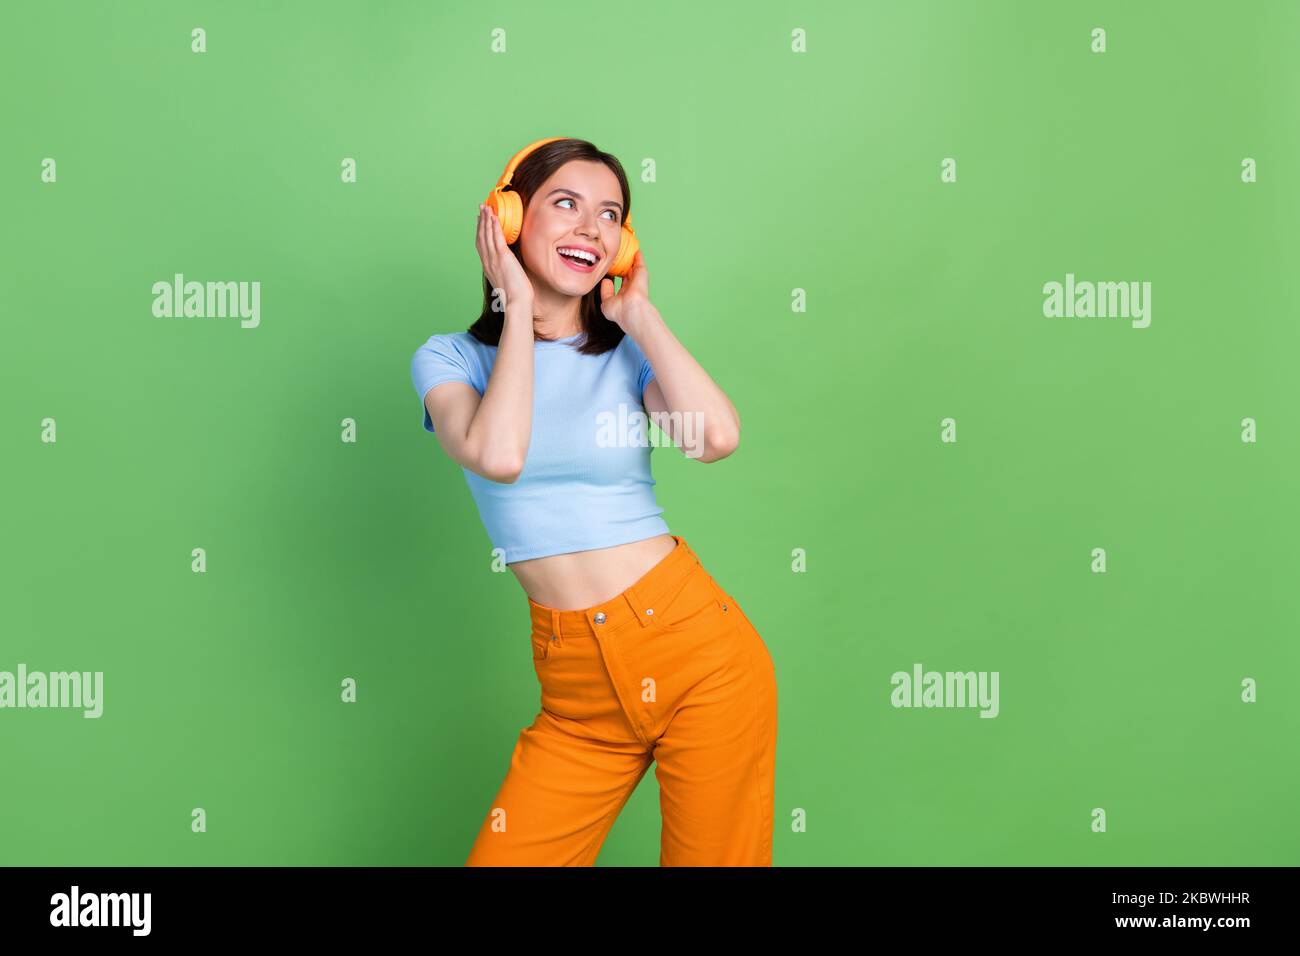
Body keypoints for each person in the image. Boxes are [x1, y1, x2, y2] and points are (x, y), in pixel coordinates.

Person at [410, 137, 778, 866]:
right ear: (509, 220)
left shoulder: (624, 355)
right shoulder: (450, 360)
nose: (591, 229)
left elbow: (716, 438)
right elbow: (499, 454)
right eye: (567, 204)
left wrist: (639, 317)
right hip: (577, 694)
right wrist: (517, 307)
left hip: (695, 653)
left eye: (610, 215)